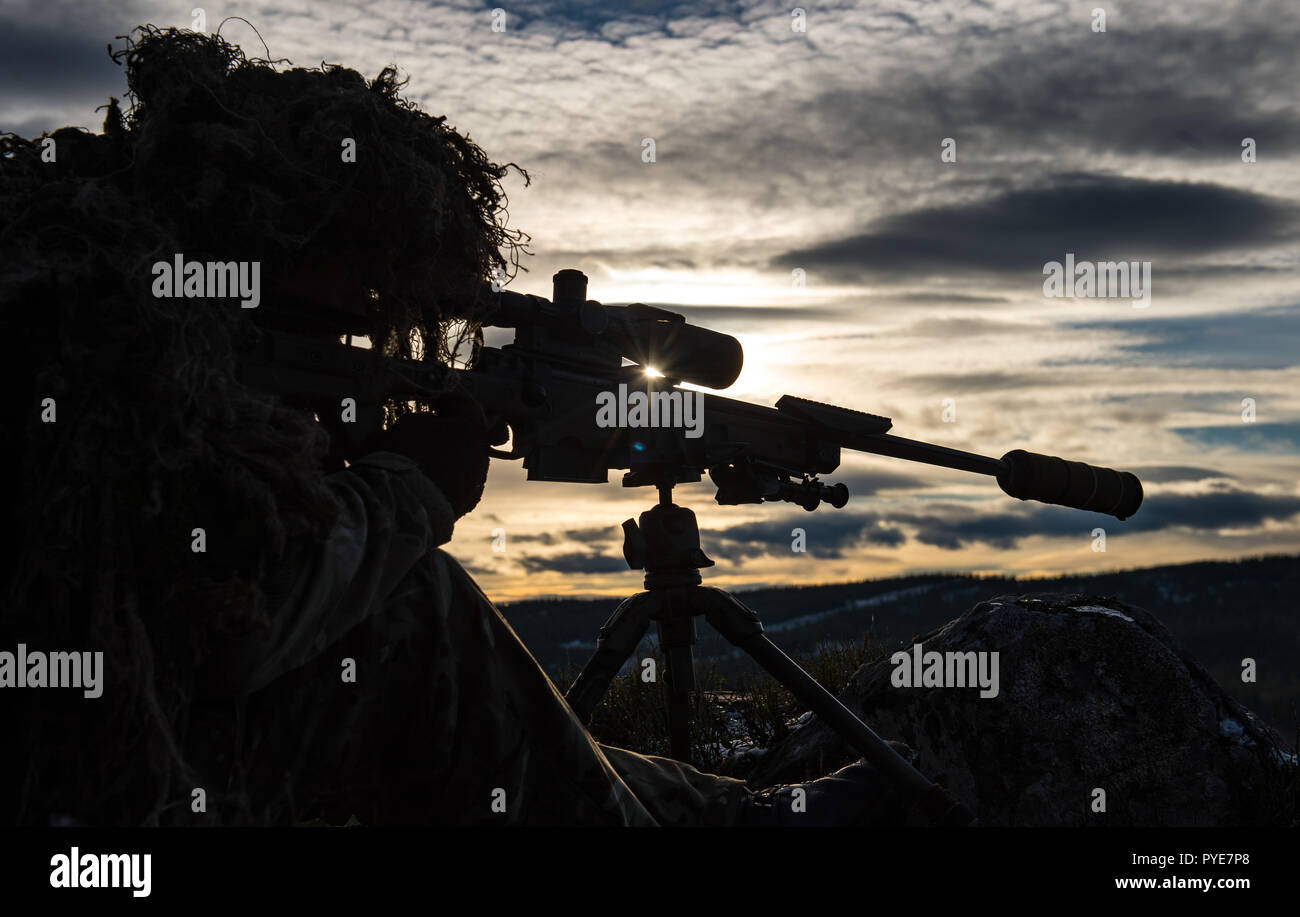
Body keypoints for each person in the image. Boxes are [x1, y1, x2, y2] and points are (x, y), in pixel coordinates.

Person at [0, 25, 907, 826]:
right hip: (100, 776)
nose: (374, 299)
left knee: (458, 693)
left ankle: (724, 809)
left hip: (146, 726)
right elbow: (243, 622)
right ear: (266, 235)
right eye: (351, 264)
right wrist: (412, 485)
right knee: (416, 614)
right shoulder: (126, 358)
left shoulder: (119, 302)